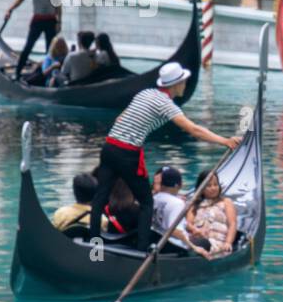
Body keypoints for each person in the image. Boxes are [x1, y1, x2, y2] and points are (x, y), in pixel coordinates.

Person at [88, 62, 238, 252]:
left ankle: (94, 245)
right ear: (177, 84)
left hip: (109, 147)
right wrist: (224, 141)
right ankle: (143, 249)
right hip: (127, 153)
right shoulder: (166, 104)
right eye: (184, 81)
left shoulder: (145, 93)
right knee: (146, 203)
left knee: (100, 197)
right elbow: (193, 130)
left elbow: (120, 119)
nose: (185, 84)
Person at [4, 0, 62, 79]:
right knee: (28, 46)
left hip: (51, 21)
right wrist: (10, 9)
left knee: (50, 50)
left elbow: (58, 6)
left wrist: (59, 22)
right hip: (38, 20)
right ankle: (18, 72)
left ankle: (49, 75)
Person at [152, 166, 210, 256]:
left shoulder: (155, 198)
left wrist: (192, 229)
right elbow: (175, 230)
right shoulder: (177, 203)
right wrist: (194, 247)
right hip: (172, 244)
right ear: (178, 185)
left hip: (157, 238)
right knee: (205, 243)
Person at [186, 169, 237, 258]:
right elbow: (188, 224)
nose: (213, 188)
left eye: (215, 185)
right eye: (208, 185)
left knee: (197, 244)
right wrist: (195, 230)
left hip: (216, 243)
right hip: (196, 241)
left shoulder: (226, 202)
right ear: (201, 188)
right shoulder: (194, 204)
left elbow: (232, 224)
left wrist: (228, 242)